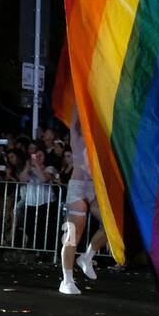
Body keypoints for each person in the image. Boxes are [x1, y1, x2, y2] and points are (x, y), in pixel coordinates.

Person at [59, 110, 108, 295]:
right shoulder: (78, 139)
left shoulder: (103, 142)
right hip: (78, 188)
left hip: (96, 189)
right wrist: (81, 98)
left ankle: (87, 257)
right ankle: (67, 280)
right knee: (73, 234)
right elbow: (74, 122)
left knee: (111, 228)